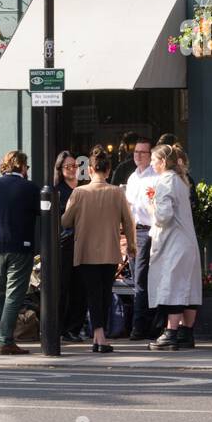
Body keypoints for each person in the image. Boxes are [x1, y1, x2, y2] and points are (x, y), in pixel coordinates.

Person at [60, 146, 137, 353]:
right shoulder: (117, 192)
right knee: (103, 293)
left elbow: (65, 221)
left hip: (85, 251)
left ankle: (99, 335)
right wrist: (131, 246)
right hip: (110, 251)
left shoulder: (79, 193)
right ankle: (99, 337)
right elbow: (129, 223)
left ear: (91, 170)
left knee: (92, 294)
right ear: (109, 169)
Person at [146, 143, 202, 351]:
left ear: (162, 162)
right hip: (187, 241)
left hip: (174, 243)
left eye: (153, 160)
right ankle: (186, 333)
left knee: (174, 286)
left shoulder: (165, 181)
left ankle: (170, 333)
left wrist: (151, 205)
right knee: (189, 287)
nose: (151, 164)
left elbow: (164, 216)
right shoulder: (180, 180)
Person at [0, 150, 40, 355]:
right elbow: (41, 211)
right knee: (14, 294)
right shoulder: (29, 187)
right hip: (20, 245)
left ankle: (0, 338)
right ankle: (5, 339)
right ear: (23, 167)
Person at [122, 136, 157, 340]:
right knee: (137, 278)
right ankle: (143, 324)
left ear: (150, 155)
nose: (137, 155)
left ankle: (139, 326)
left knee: (141, 279)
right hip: (134, 231)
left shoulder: (155, 177)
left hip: (147, 231)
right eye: (135, 152)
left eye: (142, 152)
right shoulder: (133, 177)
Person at [54, 150, 88, 342]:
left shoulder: (83, 189)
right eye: (68, 166)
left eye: (75, 166)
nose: (72, 169)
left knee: (80, 287)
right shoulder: (57, 190)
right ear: (60, 169)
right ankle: (62, 328)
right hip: (65, 244)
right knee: (64, 286)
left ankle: (75, 327)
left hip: (83, 243)